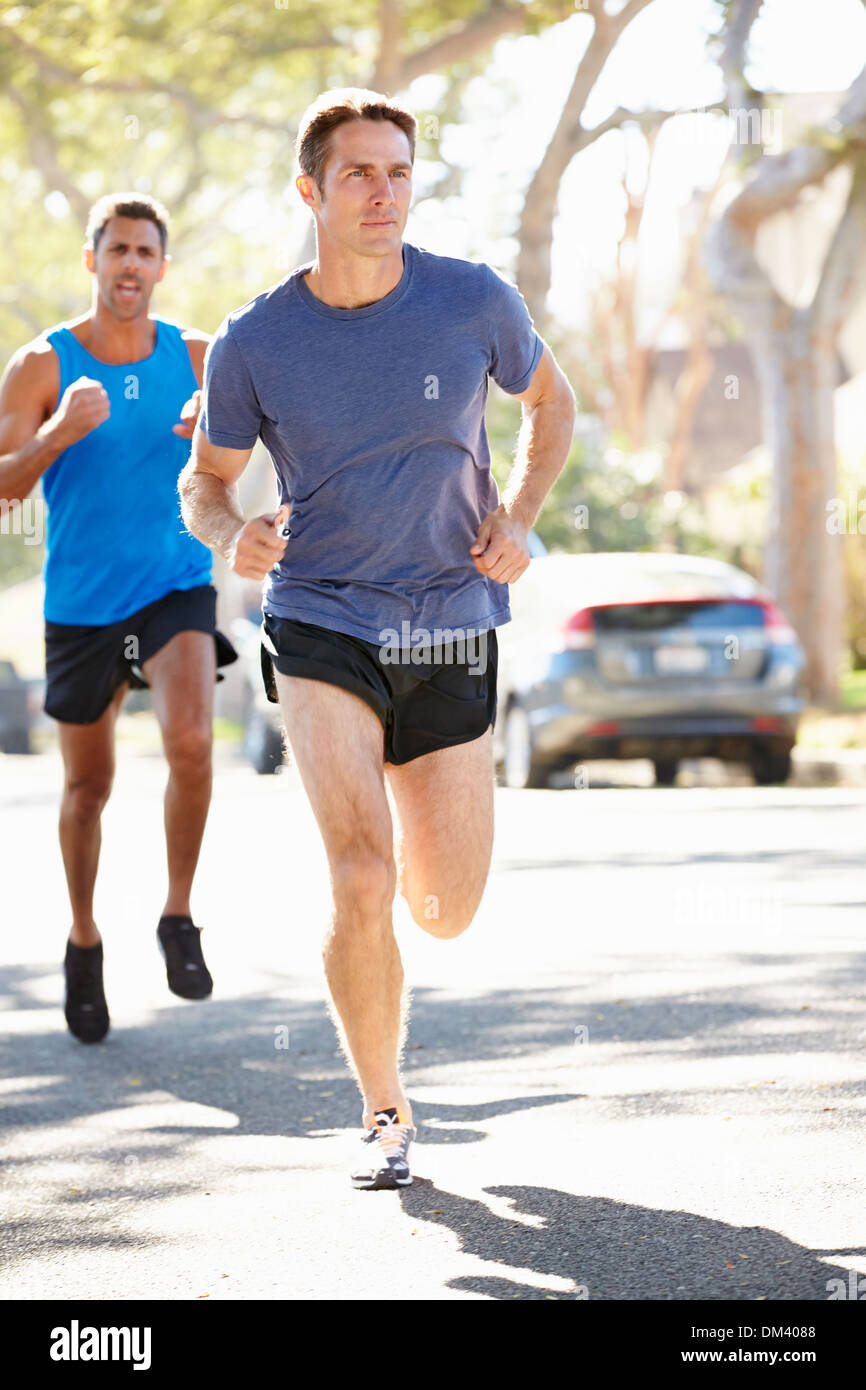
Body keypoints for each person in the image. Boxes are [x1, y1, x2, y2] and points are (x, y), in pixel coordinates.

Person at [180, 89, 576, 1188]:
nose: (381, 192)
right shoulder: (256, 340)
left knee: (439, 909)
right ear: (309, 189)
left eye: (398, 171)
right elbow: (204, 482)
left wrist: (522, 518)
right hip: (323, 618)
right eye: (357, 173)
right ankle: (385, 1110)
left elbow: (555, 401)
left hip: (451, 624)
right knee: (360, 877)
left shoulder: (471, 300)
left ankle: (393, 938)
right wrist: (234, 533)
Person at [0, 193, 236, 1044]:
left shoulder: (202, 357)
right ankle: (84, 938)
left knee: (192, 742)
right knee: (87, 787)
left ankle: (176, 916)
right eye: (117, 250)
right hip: (82, 605)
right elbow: (4, 487)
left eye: (145, 252)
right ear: (93, 261)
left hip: (175, 585)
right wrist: (59, 431)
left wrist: (215, 433)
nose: (131, 264)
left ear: (162, 268)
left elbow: (271, 438)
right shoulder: (41, 365)